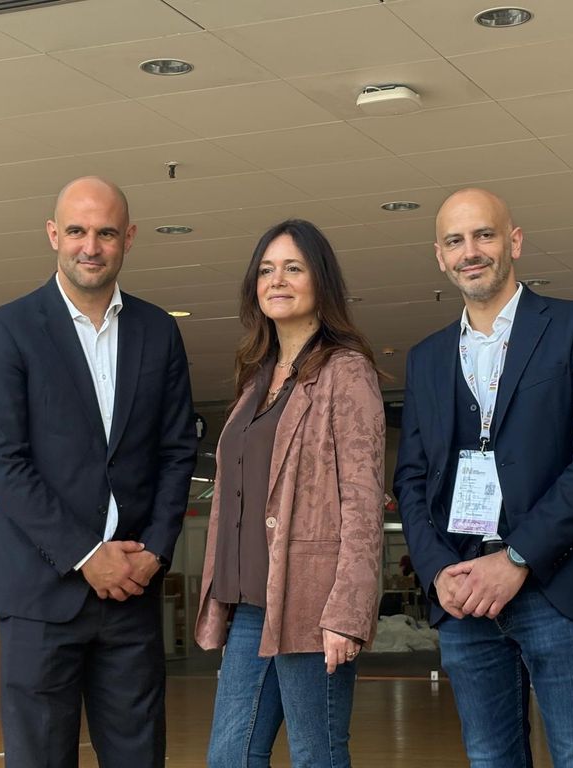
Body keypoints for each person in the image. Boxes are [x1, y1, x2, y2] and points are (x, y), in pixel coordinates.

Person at [394, 188, 573, 767]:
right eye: (455, 241)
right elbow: (411, 479)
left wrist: (515, 560)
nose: (470, 251)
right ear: (439, 255)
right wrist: (436, 574)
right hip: (461, 594)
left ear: (513, 242)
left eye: (483, 235)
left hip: (560, 587)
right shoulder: (426, 357)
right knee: (489, 759)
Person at [0, 176, 197, 768]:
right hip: (41, 596)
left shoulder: (158, 331)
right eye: (76, 231)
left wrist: (154, 550)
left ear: (129, 237)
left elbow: (177, 453)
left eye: (104, 232)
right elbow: (4, 464)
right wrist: (84, 554)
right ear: (53, 235)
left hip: (132, 590)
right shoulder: (7, 330)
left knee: (138, 756)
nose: (89, 246)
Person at [194, 219, 386, 768]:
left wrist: (346, 612)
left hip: (311, 604)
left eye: (293, 268)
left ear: (320, 281)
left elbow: (363, 501)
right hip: (252, 604)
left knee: (316, 755)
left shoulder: (345, 372)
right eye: (266, 269)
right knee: (230, 756)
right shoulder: (257, 376)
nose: (276, 280)